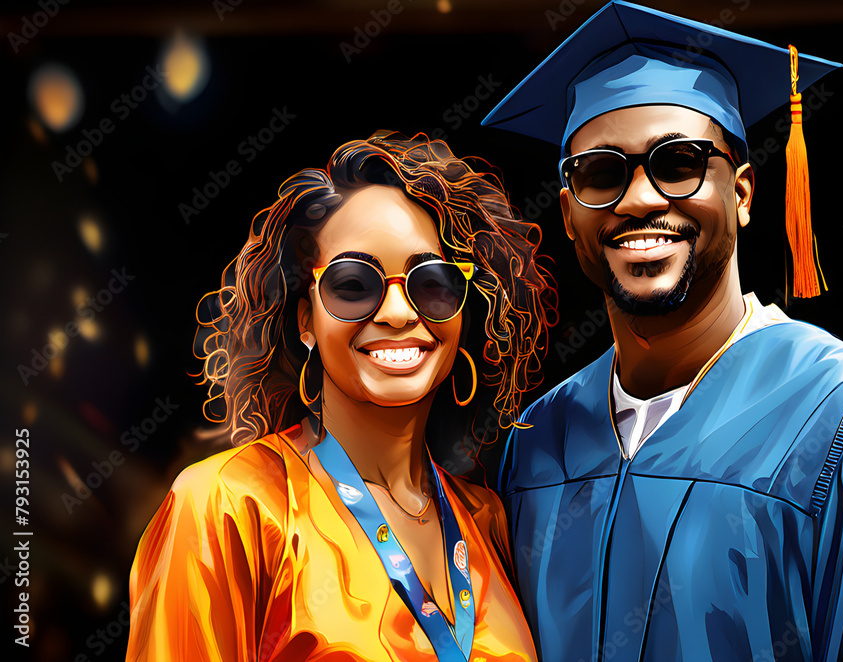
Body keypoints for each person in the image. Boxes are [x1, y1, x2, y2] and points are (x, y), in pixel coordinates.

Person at [482, 2, 843, 661]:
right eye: (602, 174)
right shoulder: (535, 447)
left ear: (745, 192)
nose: (639, 199)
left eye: (679, 164)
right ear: (567, 212)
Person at [125, 131, 555, 661]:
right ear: (305, 319)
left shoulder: (487, 520)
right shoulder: (229, 505)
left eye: (433, 282)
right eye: (353, 284)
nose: (399, 312)